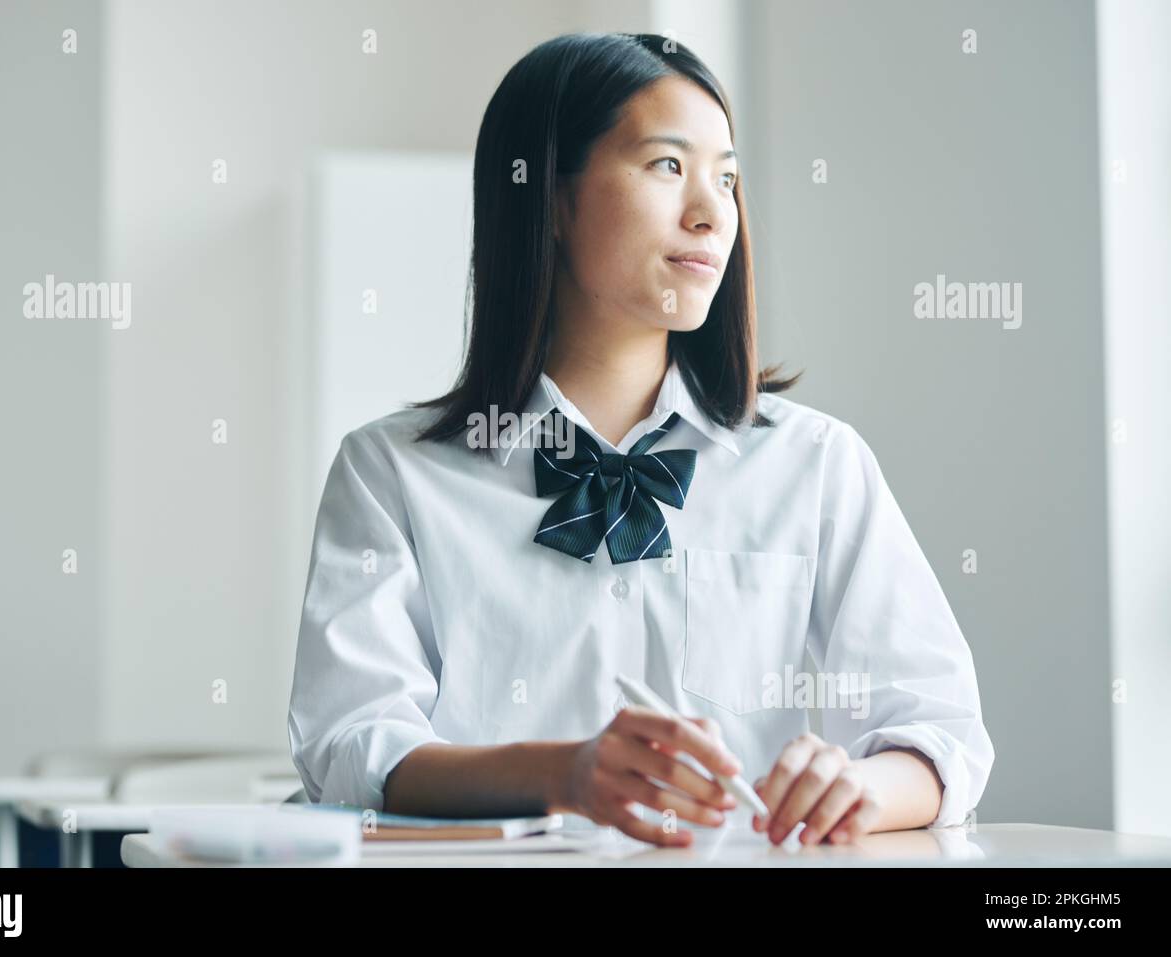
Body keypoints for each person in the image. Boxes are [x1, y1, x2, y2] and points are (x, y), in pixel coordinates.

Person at [288, 32, 993, 849]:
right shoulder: (389, 474)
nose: (710, 212)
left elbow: (942, 732)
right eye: (667, 166)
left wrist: (857, 784)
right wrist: (563, 775)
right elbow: (350, 745)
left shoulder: (818, 463)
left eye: (726, 178)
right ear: (550, 199)